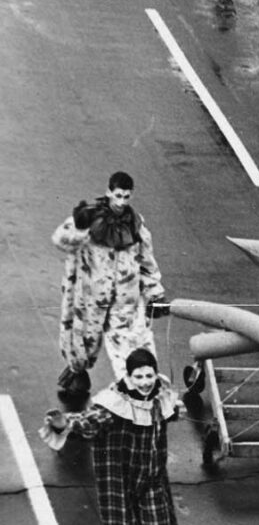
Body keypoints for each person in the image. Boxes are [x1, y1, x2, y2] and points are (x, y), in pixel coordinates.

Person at [40, 347, 183, 525]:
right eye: (138, 377)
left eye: (149, 375)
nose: (145, 382)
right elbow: (89, 420)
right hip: (121, 481)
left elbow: (167, 412)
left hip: (151, 478)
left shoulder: (159, 396)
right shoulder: (114, 403)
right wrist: (64, 422)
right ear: (128, 377)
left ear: (156, 374)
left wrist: (175, 412)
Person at [51, 171, 167, 403]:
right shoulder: (89, 218)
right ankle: (77, 373)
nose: (121, 202)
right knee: (83, 341)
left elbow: (146, 260)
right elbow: (60, 240)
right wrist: (79, 228)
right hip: (91, 298)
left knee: (130, 345)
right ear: (109, 192)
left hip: (125, 299)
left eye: (126, 197)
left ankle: (137, 394)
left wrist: (155, 292)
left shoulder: (135, 224)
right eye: (118, 196)